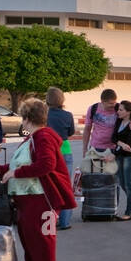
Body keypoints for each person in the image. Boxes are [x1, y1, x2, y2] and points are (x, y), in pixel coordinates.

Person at [0, 99, 75, 261]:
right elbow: (18, 164)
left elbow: (46, 165)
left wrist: (15, 173)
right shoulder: (34, 138)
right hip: (28, 199)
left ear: (27, 119)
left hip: (42, 199)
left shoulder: (43, 138)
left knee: (42, 244)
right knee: (30, 243)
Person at [45, 87, 76, 229]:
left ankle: (50, 220)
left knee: (48, 186)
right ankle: (65, 222)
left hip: (48, 151)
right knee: (65, 186)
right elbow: (71, 132)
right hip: (65, 150)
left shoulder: (44, 115)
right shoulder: (68, 115)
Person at [113, 100, 131, 220]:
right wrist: (121, 144)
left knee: (129, 185)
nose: (118, 111)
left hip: (129, 158)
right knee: (122, 183)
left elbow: (129, 147)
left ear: (128, 112)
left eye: (121, 110)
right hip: (120, 155)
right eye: (118, 109)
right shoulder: (119, 121)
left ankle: (129, 211)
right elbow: (113, 137)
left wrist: (117, 150)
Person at [81, 88, 121, 174]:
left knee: (113, 176)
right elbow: (87, 129)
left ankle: (114, 188)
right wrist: (84, 149)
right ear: (102, 101)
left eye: (114, 102)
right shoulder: (93, 109)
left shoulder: (119, 107)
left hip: (114, 149)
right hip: (96, 148)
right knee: (97, 176)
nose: (113, 105)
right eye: (110, 103)